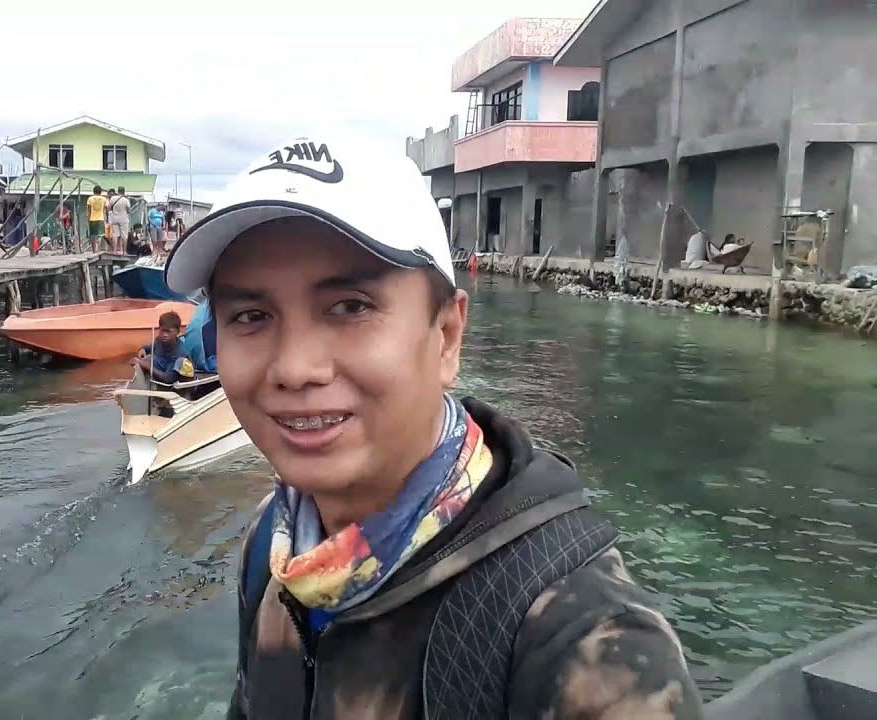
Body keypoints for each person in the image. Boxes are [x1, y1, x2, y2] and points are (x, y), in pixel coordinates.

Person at [161, 136, 702, 720]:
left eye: (349, 307)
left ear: (446, 335)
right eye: (251, 316)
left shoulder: (587, 651)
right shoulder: (276, 543)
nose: (294, 368)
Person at [108, 186, 132, 255]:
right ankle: (124, 251)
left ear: (118, 191)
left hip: (114, 218)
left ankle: (114, 251)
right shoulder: (126, 200)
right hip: (123, 219)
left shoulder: (112, 198)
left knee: (115, 235)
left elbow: (109, 208)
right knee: (124, 235)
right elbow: (129, 211)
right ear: (124, 191)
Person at [87, 186, 108, 252]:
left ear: (93, 191)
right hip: (101, 218)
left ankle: (94, 250)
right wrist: (106, 218)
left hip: (92, 219)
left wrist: (87, 219)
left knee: (93, 235)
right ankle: (98, 249)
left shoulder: (90, 199)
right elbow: (106, 209)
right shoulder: (104, 199)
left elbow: (89, 210)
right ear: (100, 192)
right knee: (100, 235)